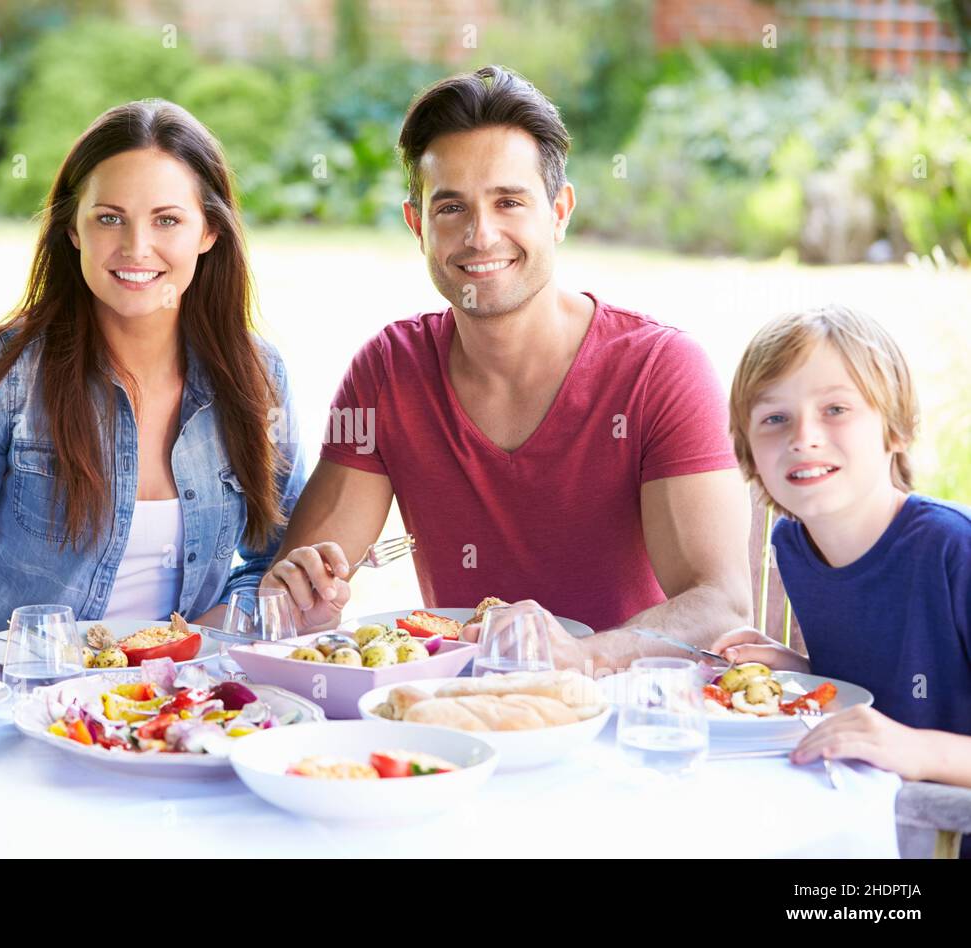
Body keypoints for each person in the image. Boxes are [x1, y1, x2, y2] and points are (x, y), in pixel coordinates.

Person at [264, 65, 751, 673]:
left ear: (559, 211)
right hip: (463, 722)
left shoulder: (659, 368)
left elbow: (719, 602)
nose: (480, 235)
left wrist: (583, 657)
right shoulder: (389, 369)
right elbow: (302, 582)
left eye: (509, 201)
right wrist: (303, 601)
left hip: (628, 722)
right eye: (451, 208)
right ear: (418, 226)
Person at [0, 100, 305, 670]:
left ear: (208, 230)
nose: (136, 248)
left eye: (167, 220)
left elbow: (272, 563)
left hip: (184, 703)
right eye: (110, 217)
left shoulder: (258, 377)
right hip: (18, 703)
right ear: (73, 229)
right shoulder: (7, 375)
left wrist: (206, 634)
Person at [713, 305, 971, 807]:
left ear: (895, 429)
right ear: (748, 453)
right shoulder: (795, 548)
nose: (803, 437)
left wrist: (918, 750)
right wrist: (802, 668)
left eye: (835, 409)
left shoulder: (952, 550)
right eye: (775, 418)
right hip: (858, 815)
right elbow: (891, 687)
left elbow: (903, 728)